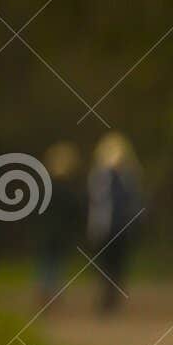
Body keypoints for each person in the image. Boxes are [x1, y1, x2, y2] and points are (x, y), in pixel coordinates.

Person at [87, 132, 144, 313]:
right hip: (110, 229)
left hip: (111, 229)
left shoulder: (103, 177)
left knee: (111, 264)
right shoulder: (120, 177)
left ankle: (109, 297)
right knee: (113, 264)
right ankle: (109, 297)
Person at [35, 142, 84, 304]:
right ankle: (52, 292)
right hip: (60, 233)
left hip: (46, 232)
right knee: (56, 262)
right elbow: (75, 212)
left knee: (47, 261)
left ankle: (46, 290)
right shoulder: (68, 190)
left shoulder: (44, 188)